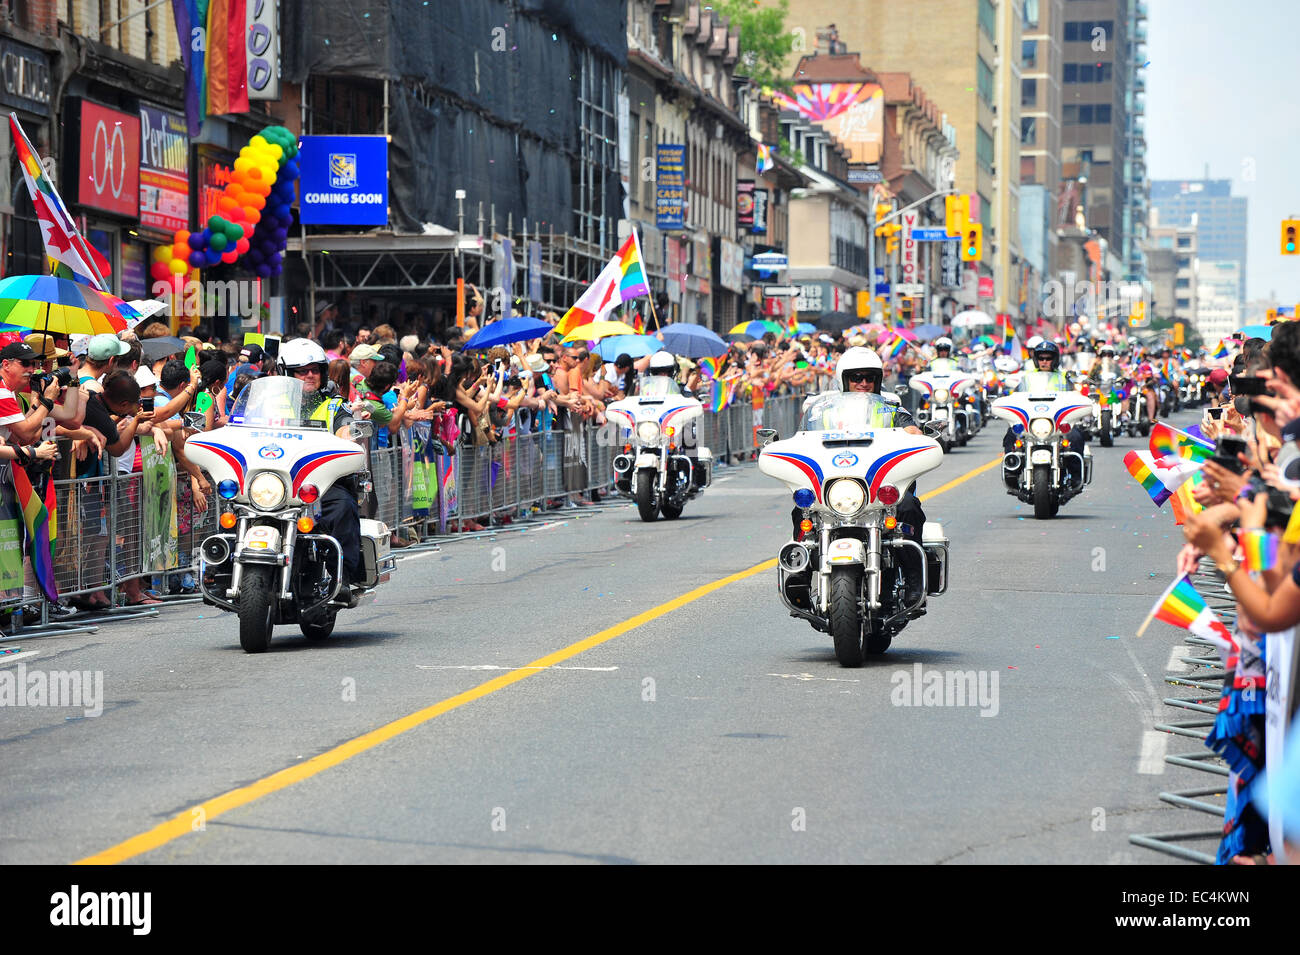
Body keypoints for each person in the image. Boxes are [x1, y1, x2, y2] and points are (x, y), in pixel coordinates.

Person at [798, 347, 929, 603]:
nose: (864, 383)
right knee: (800, 509)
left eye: (870, 377)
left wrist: (914, 434)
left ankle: (915, 581)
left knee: (910, 507)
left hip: (881, 491)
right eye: (856, 377)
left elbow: (912, 428)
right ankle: (799, 577)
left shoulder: (891, 408)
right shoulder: (821, 411)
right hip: (836, 489)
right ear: (844, 379)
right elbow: (801, 440)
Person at [278, 338, 366, 600]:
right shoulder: (271, 401)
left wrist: (349, 433)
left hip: (321, 484)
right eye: (301, 370)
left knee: (343, 508)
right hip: (277, 482)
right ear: (286, 374)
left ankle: (344, 579)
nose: (309, 375)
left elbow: (345, 427)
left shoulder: (333, 405)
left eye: (314, 369)